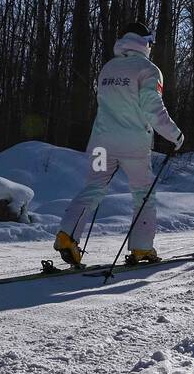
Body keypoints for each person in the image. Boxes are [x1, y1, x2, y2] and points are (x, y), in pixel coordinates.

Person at [54, 21, 183, 266]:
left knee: (94, 187)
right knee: (143, 194)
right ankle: (142, 248)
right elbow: (152, 106)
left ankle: (66, 235)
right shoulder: (148, 70)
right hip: (133, 146)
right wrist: (174, 134)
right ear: (144, 42)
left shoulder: (108, 69)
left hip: (101, 144)